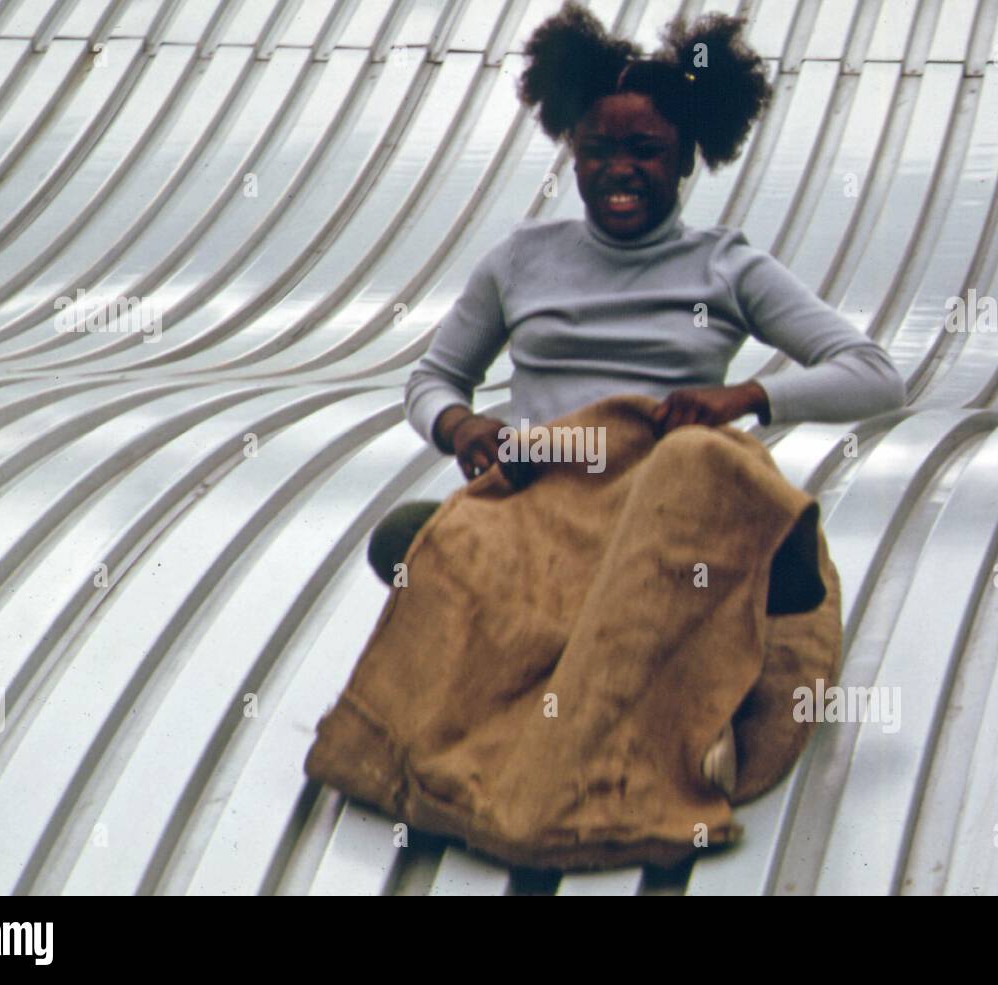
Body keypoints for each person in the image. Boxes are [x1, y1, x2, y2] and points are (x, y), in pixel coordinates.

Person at [365, 3, 906, 793]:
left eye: (645, 150)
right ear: (573, 157)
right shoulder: (522, 258)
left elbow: (874, 372)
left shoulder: (725, 267)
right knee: (404, 541)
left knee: (716, 475)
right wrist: (458, 424)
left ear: (686, 158)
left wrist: (749, 397)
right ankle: (626, 674)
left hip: (666, 518)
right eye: (597, 151)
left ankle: (705, 669)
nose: (621, 168)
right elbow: (431, 377)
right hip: (542, 512)